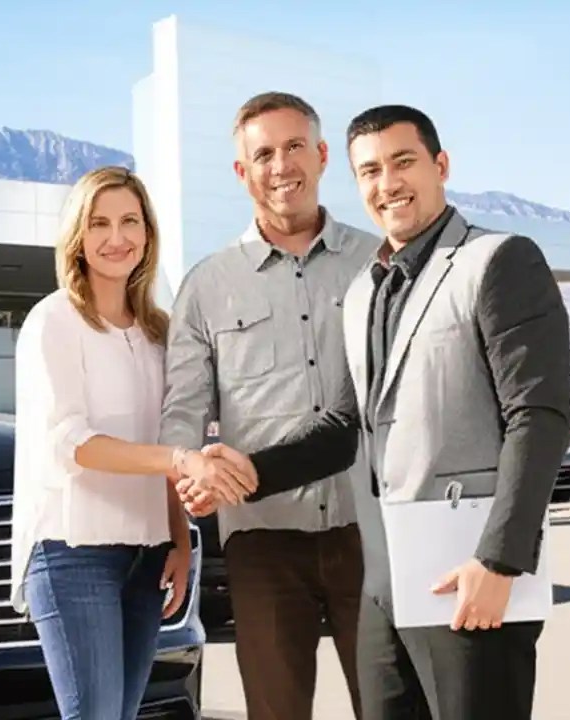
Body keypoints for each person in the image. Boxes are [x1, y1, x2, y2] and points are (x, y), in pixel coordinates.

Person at [181, 104, 570, 720]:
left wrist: (499, 559)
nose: (387, 183)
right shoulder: (364, 289)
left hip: (471, 574)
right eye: (370, 171)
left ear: (441, 166)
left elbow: (539, 416)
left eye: (403, 163)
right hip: (385, 586)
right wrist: (246, 472)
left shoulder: (499, 262)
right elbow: (344, 428)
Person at [159, 91, 378, 720]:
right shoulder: (207, 284)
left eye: (293, 147)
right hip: (262, 544)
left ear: (322, 154)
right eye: (262, 154)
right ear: (241, 172)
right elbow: (183, 414)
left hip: (372, 532)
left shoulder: (379, 262)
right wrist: (185, 489)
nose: (280, 166)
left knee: (395, 707)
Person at [9, 165, 254, 719]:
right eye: (99, 223)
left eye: (129, 221)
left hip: (146, 557)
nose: (116, 238)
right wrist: (178, 458)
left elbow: (166, 438)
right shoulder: (53, 321)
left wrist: (180, 540)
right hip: (74, 554)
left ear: (147, 234)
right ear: (77, 235)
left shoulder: (159, 333)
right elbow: (71, 443)